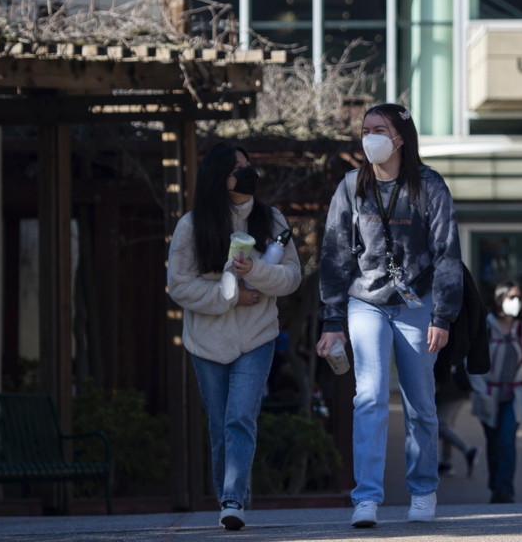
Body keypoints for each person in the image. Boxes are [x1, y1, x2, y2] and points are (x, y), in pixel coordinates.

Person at [316, 103, 463, 528]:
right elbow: (334, 254)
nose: (370, 137)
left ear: (400, 137)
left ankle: (423, 491)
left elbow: (447, 251)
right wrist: (331, 320)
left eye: (380, 129)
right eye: (365, 129)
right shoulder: (351, 186)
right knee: (370, 397)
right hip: (366, 302)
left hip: (419, 304)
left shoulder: (429, 184)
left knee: (421, 402)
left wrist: (444, 316)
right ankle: (366, 498)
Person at [168, 144, 303, 531]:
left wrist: (256, 271)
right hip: (207, 341)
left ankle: (232, 499)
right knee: (220, 423)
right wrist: (230, 297)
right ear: (218, 179)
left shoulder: (272, 219)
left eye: (247, 166)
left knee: (241, 417)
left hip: (257, 336)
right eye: (236, 169)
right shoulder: (193, 225)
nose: (246, 173)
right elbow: (179, 285)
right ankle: (232, 496)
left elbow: (292, 276)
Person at [469, 280, 522, 503]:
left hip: (515, 394)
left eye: (518, 297)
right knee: (493, 442)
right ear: (499, 299)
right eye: (511, 297)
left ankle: (505, 489)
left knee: (507, 440)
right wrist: (481, 391)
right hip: (488, 393)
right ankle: (495, 487)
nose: (515, 302)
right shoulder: (486, 325)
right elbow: (472, 361)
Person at [435, 362, 479, 477]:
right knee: (448, 425)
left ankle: (469, 451)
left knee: (442, 424)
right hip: (453, 390)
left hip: (452, 391)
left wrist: (437, 381)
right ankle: (446, 463)